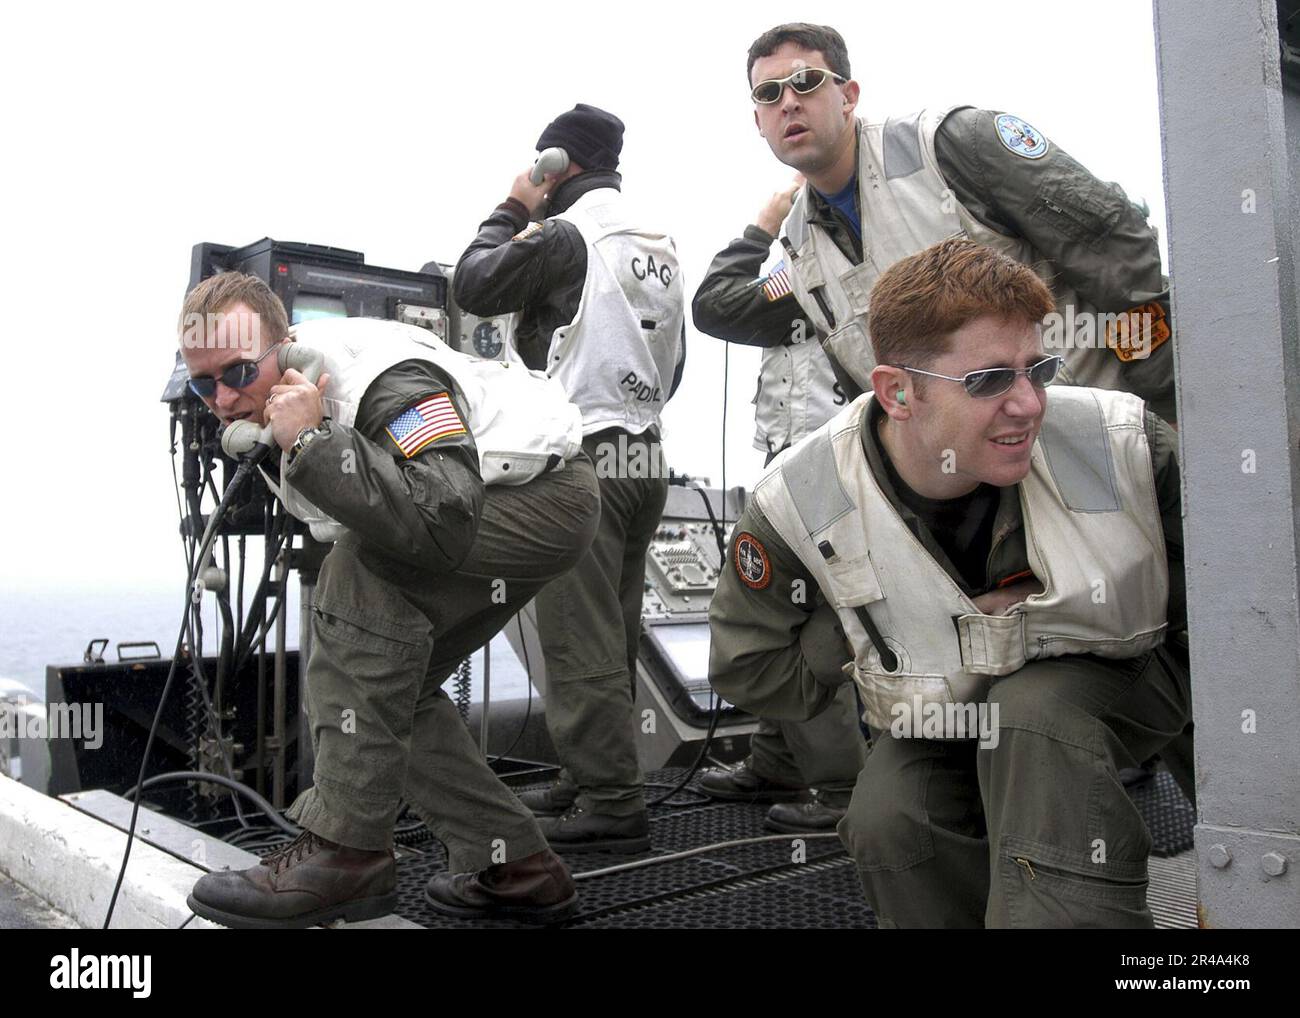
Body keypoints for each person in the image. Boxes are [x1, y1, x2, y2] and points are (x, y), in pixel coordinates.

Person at [690, 21, 1178, 832]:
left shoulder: (955, 146)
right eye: (768, 94)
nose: (789, 104)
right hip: (979, 498)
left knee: (1167, 647)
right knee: (1006, 683)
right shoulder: (800, 248)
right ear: (757, 120)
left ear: (849, 93)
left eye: (807, 82)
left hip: (1092, 458)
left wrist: (1162, 411)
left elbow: (1115, 242)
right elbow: (724, 310)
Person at [708, 238, 1191, 928]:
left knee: (1035, 712)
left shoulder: (1126, 444)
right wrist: (886, 626)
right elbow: (753, 670)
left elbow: (1234, 614)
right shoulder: (801, 501)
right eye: (991, 381)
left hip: (1127, 673)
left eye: (1039, 369)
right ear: (897, 392)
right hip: (947, 705)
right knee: (891, 816)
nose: (1028, 404)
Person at [178, 272, 601, 927]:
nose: (223, 398)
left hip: (546, 499)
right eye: (204, 383)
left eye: (237, 372)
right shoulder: (275, 396)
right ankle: (516, 866)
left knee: (357, 577)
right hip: (495, 508)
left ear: (283, 345)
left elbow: (445, 512)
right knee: (384, 692)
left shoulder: (384, 379)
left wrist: (317, 443)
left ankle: (345, 853)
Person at [452, 105, 686, 852]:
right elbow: (671, 364)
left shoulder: (564, 233)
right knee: (613, 624)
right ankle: (593, 777)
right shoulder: (656, 244)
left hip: (585, 451)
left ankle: (614, 804)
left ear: (559, 165)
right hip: (645, 452)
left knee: (576, 632)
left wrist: (512, 205)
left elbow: (475, 283)